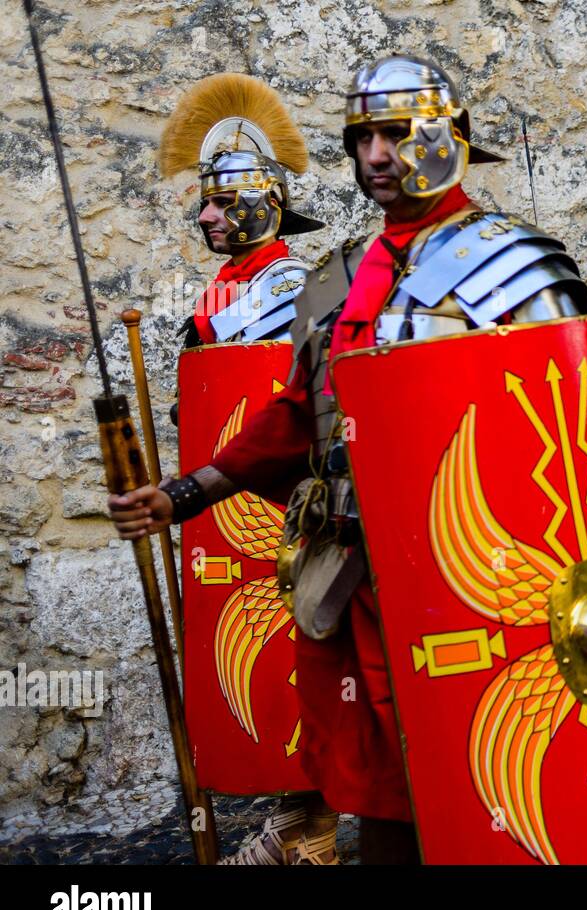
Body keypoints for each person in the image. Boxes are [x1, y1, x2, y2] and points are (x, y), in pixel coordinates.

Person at [108, 54, 587, 863]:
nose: (373, 155)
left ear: (449, 136)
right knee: (383, 787)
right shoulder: (337, 285)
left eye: (395, 133)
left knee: (497, 782)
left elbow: (560, 454)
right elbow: (296, 416)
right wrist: (184, 493)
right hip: (357, 574)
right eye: (360, 135)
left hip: (475, 583)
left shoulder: (522, 270)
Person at [158, 72, 337, 865]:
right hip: (231, 501)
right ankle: (293, 822)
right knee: (262, 657)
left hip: (282, 497)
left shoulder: (287, 288)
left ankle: (315, 828)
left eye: (226, 202)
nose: (208, 215)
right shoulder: (220, 292)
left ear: (267, 201)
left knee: (296, 648)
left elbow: (285, 401)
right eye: (207, 200)